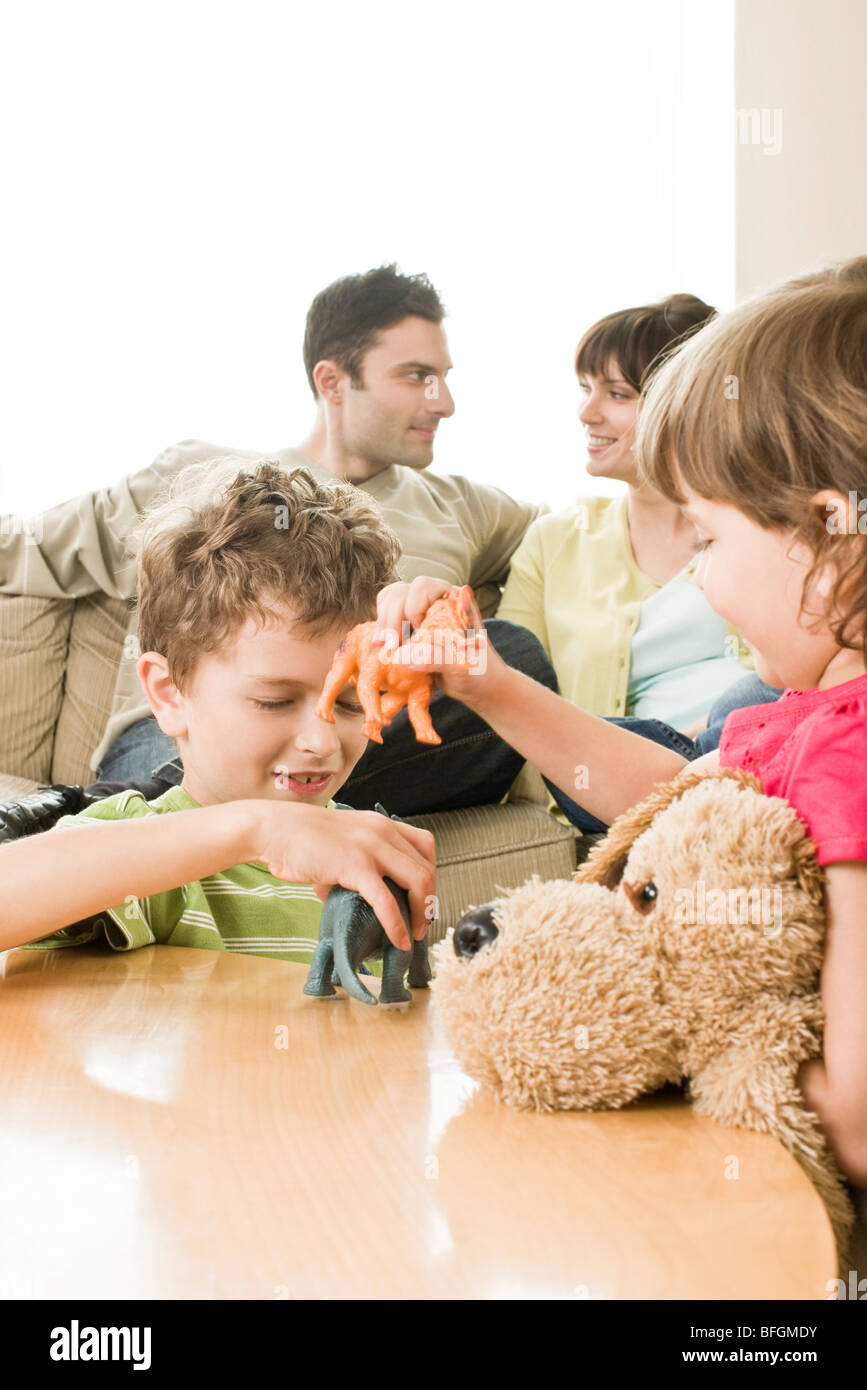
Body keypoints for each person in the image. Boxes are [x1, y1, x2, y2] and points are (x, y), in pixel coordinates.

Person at [372, 259, 867, 1186]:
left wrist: (681, 1040)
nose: (703, 579)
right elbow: (673, 810)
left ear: (829, 532)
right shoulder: (808, 716)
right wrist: (484, 683)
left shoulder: (851, 752)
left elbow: (856, 1116)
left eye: (711, 541)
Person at [0, 264, 546, 794]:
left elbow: (589, 534)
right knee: (205, 769)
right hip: (178, 737)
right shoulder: (199, 475)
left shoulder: (463, 508)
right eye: (416, 377)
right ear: (333, 381)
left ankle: (212, 821)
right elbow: (27, 546)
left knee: (510, 654)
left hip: (355, 741)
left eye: (444, 379)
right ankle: (180, 812)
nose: (443, 404)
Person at [0, 461, 436, 962]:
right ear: (168, 694)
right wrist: (256, 829)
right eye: (274, 701)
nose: (323, 739)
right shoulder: (146, 854)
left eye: (353, 701)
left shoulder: (362, 852)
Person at [497, 293, 779, 767]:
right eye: (585, 388)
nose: (587, 413)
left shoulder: (764, 523)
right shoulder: (554, 542)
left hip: (754, 754)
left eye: (617, 394)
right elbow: (505, 688)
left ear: (687, 404)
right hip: (622, 774)